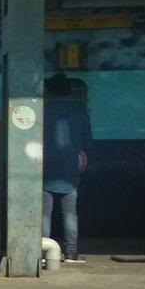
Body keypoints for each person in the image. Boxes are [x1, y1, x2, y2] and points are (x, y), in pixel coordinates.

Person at [42, 72, 91, 264]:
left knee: (45, 214)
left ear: (51, 91)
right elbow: (88, 141)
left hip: (45, 169)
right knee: (70, 213)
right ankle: (71, 253)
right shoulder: (80, 112)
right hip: (70, 170)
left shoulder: (43, 110)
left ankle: (44, 252)